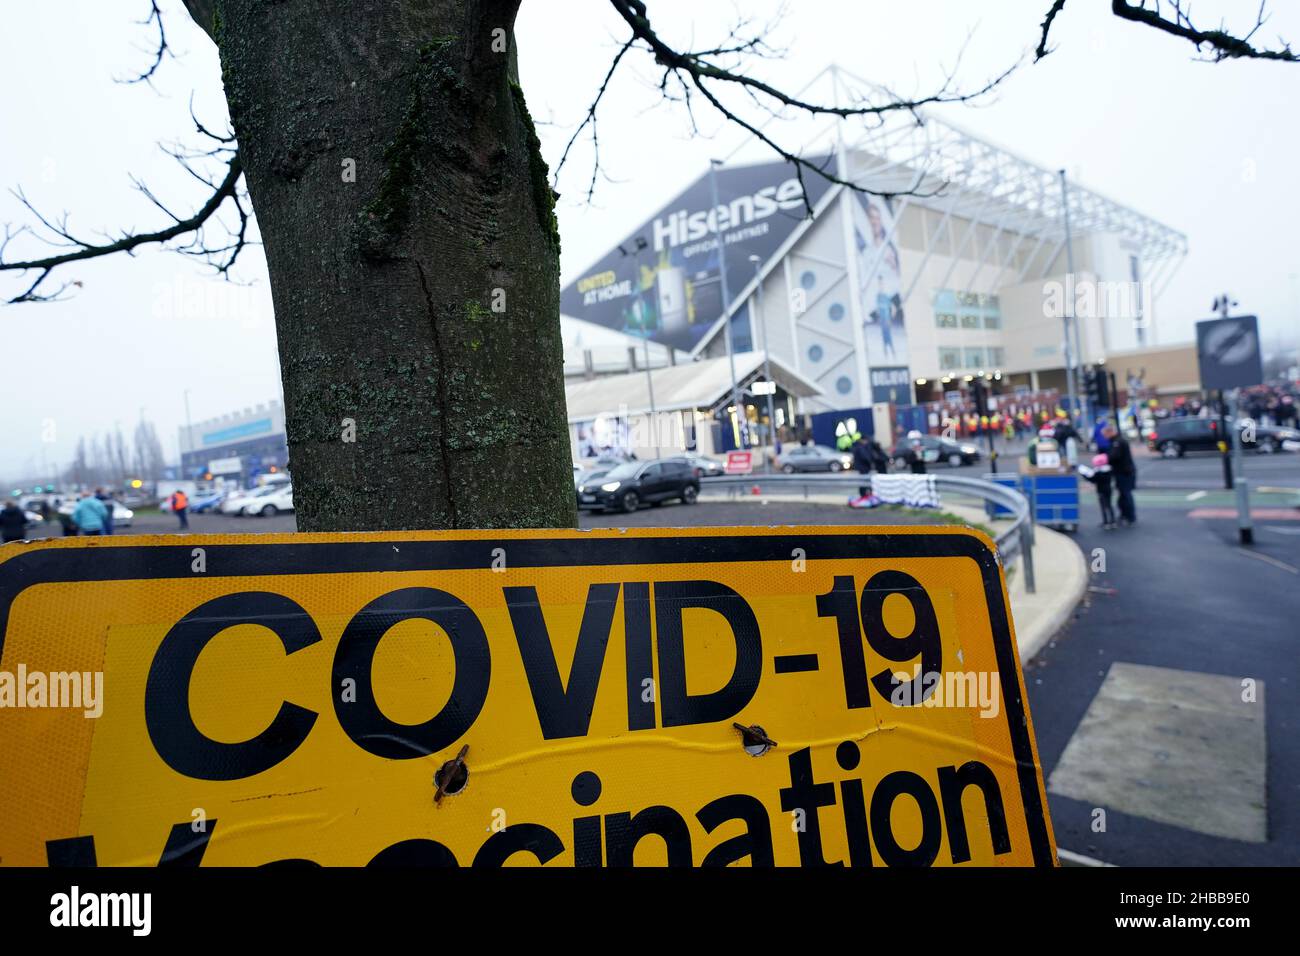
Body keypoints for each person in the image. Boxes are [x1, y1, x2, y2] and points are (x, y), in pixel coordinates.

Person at [1104, 425, 1137, 526]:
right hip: (1124, 471)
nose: (1105, 437)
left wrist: (1104, 459)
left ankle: (1130, 516)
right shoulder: (1118, 441)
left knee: (1125, 495)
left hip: (1124, 472)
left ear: (1110, 432)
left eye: (1105, 434)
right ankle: (1125, 515)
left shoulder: (1117, 442)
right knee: (1123, 495)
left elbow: (1114, 456)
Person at [1078, 453, 1116, 529]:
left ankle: (1106, 522)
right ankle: (1112, 521)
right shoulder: (1109, 470)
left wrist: (1084, 474)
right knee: (1109, 506)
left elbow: (1093, 479)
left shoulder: (1098, 472)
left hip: (1101, 491)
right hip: (1108, 489)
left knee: (1103, 507)